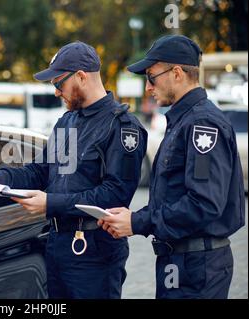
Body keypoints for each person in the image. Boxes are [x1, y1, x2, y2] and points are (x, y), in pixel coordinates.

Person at [0, 41, 147, 299]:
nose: (56, 92)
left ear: (82, 77)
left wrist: (51, 203)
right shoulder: (66, 122)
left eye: (58, 83)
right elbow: (39, 173)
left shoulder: (122, 126)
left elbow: (114, 196)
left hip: (96, 250)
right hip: (58, 244)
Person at [99, 35, 245, 299]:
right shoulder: (183, 120)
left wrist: (137, 221)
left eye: (151, 76)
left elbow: (203, 204)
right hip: (179, 261)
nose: (147, 87)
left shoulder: (203, 125)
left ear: (176, 73)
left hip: (197, 266)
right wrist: (133, 217)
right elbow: (174, 195)